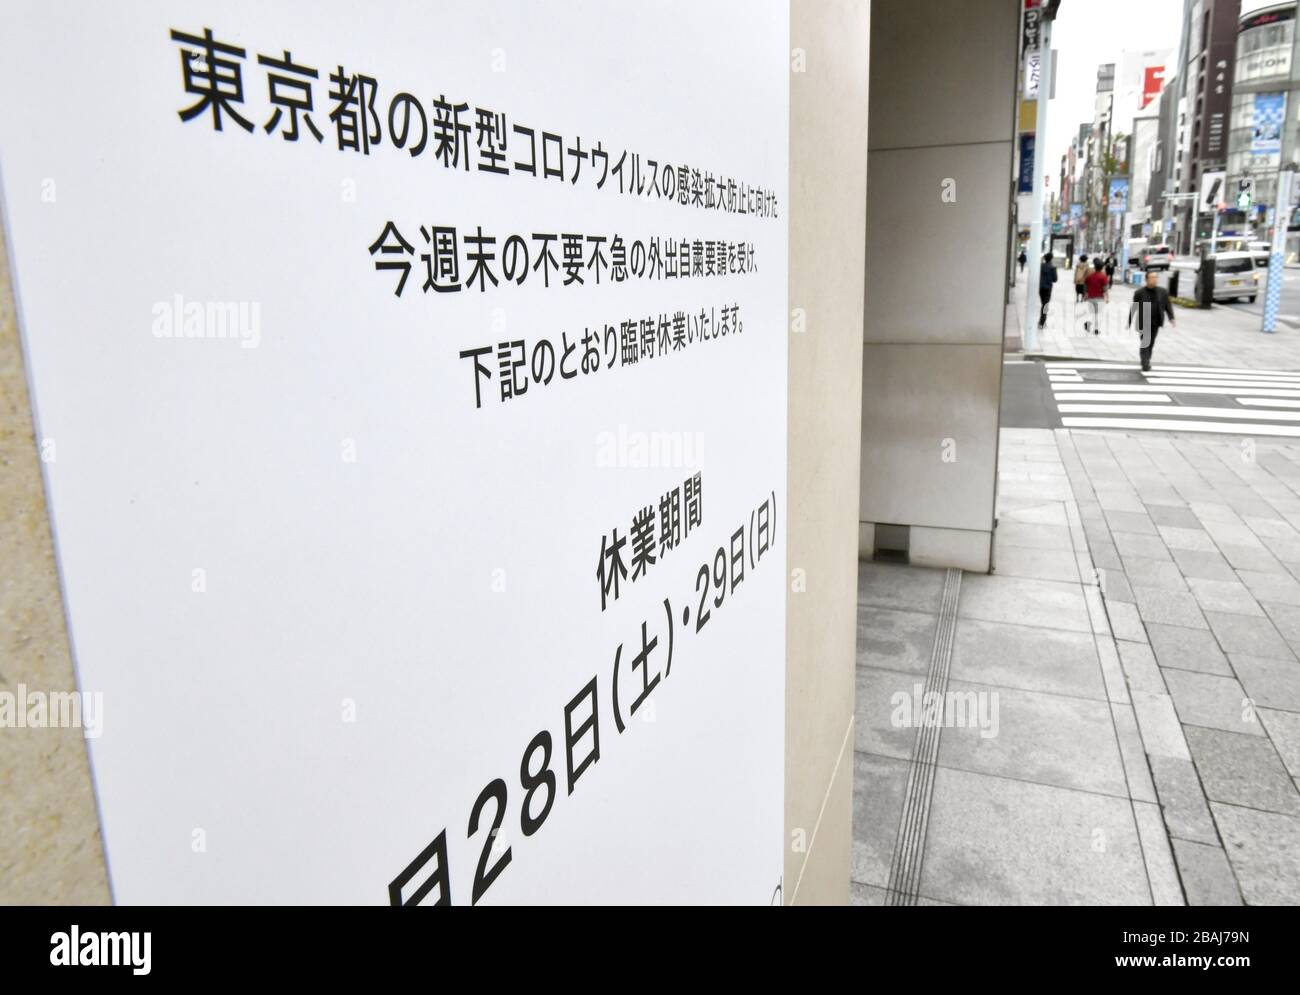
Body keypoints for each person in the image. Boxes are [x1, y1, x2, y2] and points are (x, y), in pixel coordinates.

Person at [1128, 269, 1176, 372]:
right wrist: (1130, 319)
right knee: (1145, 342)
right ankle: (1145, 363)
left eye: (1156, 277)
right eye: (1152, 278)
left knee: (1151, 343)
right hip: (1144, 322)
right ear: (1147, 280)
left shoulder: (1162, 292)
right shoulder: (1139, 292)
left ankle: (1146, 359)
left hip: (1156, 322)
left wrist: (1171, 317)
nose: (1155, 280)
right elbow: (1134, 306)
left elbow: (1168, 305)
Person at [1083, 258, 1109, 334]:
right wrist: (1107, 297)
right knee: (1099, 314)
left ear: (1095, 267)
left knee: (1091, 313)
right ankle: (1096, 329)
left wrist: (1085, 295)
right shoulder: (1103, 277)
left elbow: (1086, 287)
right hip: (1100, 298)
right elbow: (1105, 289)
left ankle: (1088, 323)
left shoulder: (1089, 277)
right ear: (1102, 267)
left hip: (1090, 298)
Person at [1038, 251, 1056, 328]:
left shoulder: (1040, 266)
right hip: (1048, 288)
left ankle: (1042, 321)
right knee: (1045, 305)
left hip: (1041, 288)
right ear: (1051, 259)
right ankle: (1042, 322)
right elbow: (1055, 279)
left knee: (1043, 304)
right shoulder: (1053, 268)